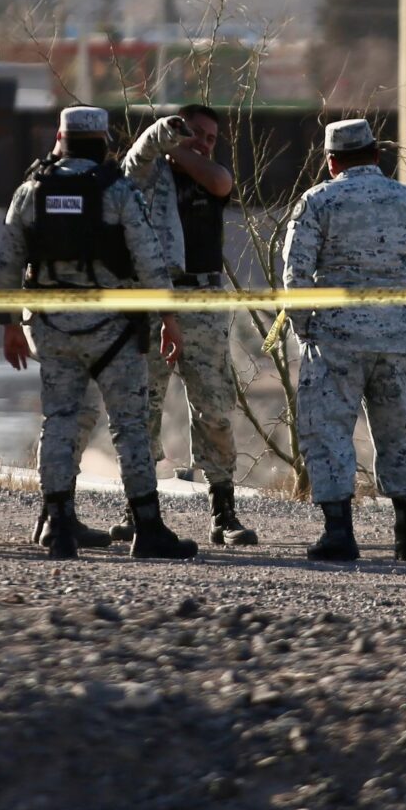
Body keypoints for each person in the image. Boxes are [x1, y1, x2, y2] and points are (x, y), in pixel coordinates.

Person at [0, 106, 199, 561]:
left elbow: (8, 261)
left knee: (60, 421)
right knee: (129, 426)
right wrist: (169, 319)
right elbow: (149, 259)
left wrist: (7, 325)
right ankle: (147, 528)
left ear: (60, 139)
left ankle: (58, 525)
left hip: (52, 327)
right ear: (103, 141)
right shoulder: (118, 191)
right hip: (114, 332)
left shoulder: (30, 192)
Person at [281, 119, 406, 563]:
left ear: (332, 162)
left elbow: (296, 272)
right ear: (375, 155)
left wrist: (303, 325)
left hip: (336, 339)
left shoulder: (318, 201)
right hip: (397, 337)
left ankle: (339, 534)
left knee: (328, 430)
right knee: (401, 431)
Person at [145, 103, 255, 547]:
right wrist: (166, 150)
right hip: (156, 299)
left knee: (213, 406)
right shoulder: (150, 176)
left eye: (212, 138)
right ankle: (142, 510)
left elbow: (221, 181)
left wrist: (183, 150)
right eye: (197, 133)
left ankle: (222, 511)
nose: (205, 143)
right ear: (175, 129)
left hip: (204, 299)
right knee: (144, 405)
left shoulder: (211, 177)